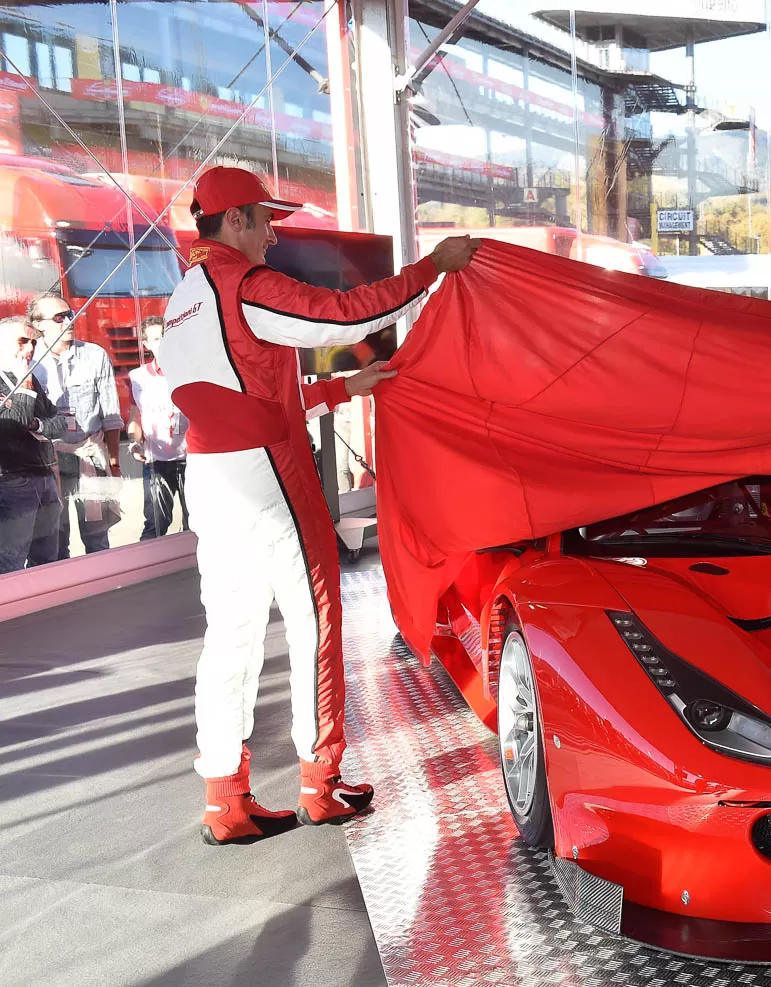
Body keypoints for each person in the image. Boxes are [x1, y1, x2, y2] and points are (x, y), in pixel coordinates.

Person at [159, 166, 481, 845]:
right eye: (267, 220)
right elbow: (349, 312)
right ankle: (320, 784)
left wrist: (345, 387)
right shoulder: (245, 285)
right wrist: (433, 266)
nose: (274, 235)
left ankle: (224, 799)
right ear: (238, 219)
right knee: (315, 622)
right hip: (269, 472)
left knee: (230, 637)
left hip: (210, 481)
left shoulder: (183, 297)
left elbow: (239, 394)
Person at [30, 293, 123, 557]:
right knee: (56, 538)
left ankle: (104, 590)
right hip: (49, 460)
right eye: (59, 318)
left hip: (90, 456)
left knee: (97, 537)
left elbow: (111, 415)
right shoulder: (30, 362)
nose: (69, 321)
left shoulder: (95, 355)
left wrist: (114, 465)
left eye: (70, 314)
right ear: (39, 325)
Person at [0, 315, 65, 572]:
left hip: (43, 474)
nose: (29, 349)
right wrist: (25, 388)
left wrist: (36, 424)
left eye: (33, 343)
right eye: (22, 341)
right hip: (11, 480)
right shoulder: (25, 378)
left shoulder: (29, 378)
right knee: (11, 561)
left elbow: (59, 422)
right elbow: (12, 426)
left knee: (48, 556)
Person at [128, 315, 189, 539]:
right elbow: (135, 415)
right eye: (154, 339)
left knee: (195, 520)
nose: (160, 343)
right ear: (146, 344)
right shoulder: (137, 377)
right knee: (155, 522)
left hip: (190, 458)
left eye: (163, 336)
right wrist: (134, 442)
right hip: (157, 460)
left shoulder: (190, 371)